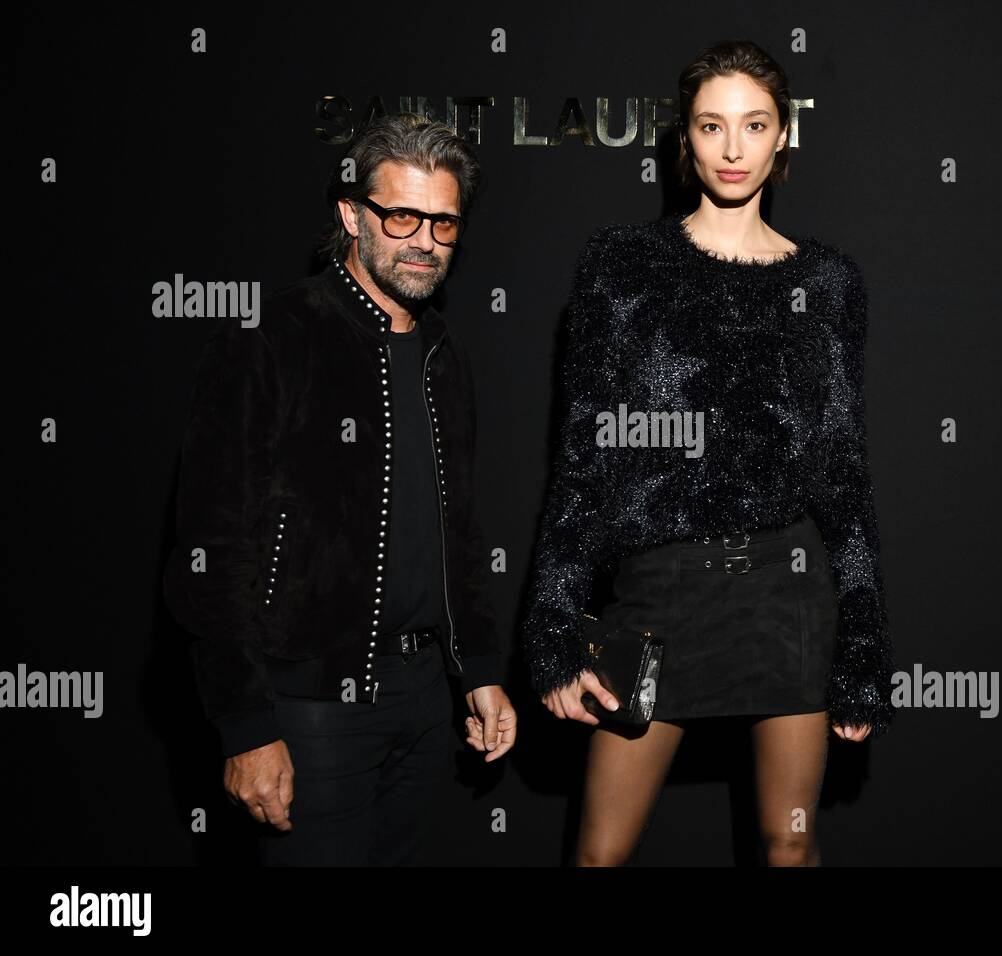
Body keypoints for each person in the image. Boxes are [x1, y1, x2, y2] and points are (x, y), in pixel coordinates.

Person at [520, 39, 897, 866]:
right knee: (599, 855)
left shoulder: (829, 282)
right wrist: (552, 627)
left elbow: (842, 470)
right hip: (660, 593)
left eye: (754, 125)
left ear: (783, 136)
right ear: (683, 139)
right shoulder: (622, 264)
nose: (732, 149)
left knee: (790, 848)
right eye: (711, 126)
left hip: (788, 593)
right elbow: (583, 457)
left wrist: (864, 642)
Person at [164, 114, 515, 865]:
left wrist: (479, 674)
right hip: (311, 706)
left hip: (427, 703)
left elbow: (457, 533)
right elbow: (210, 550)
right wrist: (246, 725)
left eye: (444, 223)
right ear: (353, 215)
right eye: (402, 215)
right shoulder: (271, 336)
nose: (424, 239)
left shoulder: (445, 357)